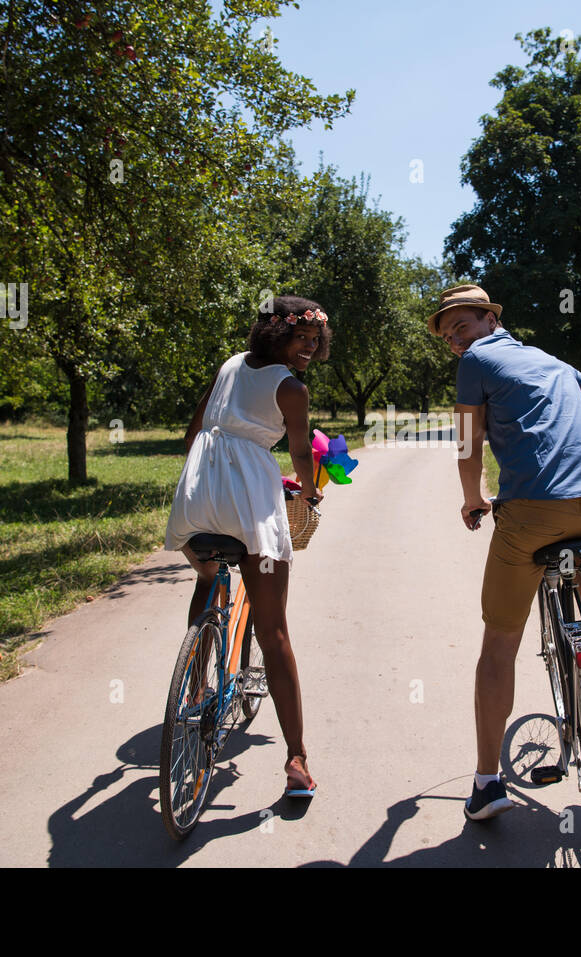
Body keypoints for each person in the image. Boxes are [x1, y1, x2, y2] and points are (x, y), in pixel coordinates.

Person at [428, 283, 581, 821]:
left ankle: (488, 782)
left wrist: (473, 500)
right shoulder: (548, 360)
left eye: (461, 325)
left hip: (531, 516)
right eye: (448, 335)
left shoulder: (476, 361)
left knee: (498, 641)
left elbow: (469, 446)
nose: (455, 339)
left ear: (489, 318)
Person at [164, 296, 330, 798]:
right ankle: (296, 759)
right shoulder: (290, 388)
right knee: (272, 626)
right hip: (249, 502)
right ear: (274, 333)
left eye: (314, 341)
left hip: (198, 496)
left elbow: (193, 434)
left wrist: (206, 475)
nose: (307, 347)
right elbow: (301, 452)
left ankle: (197, 680)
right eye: (300, 337)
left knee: (208, 575)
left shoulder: (229, 366)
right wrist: (308, 489)